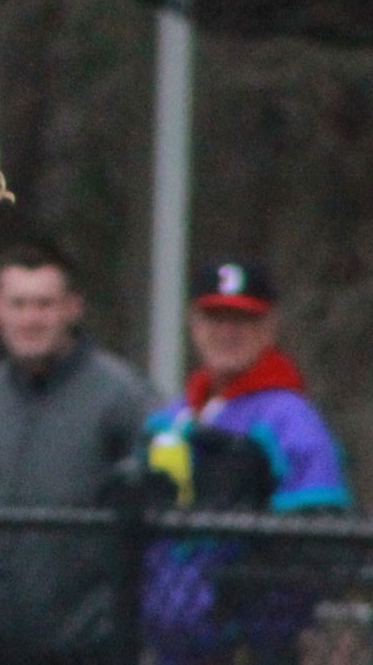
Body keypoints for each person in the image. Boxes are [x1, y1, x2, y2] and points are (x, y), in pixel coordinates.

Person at [0, 241, 160, 665]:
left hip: (92, 651)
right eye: (18, 304)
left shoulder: (125, 399)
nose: (30, 319)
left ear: (73, 308)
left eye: (44, 304)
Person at [141, 261, 351, 665]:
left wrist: (251, 610)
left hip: (249, 651)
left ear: (270, 327)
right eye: (215, 317)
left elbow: (320, 542)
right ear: (194, 323)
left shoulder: (291, 420)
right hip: (167, 648)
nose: (228, 332)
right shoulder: (171, 420)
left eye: (244, 319)